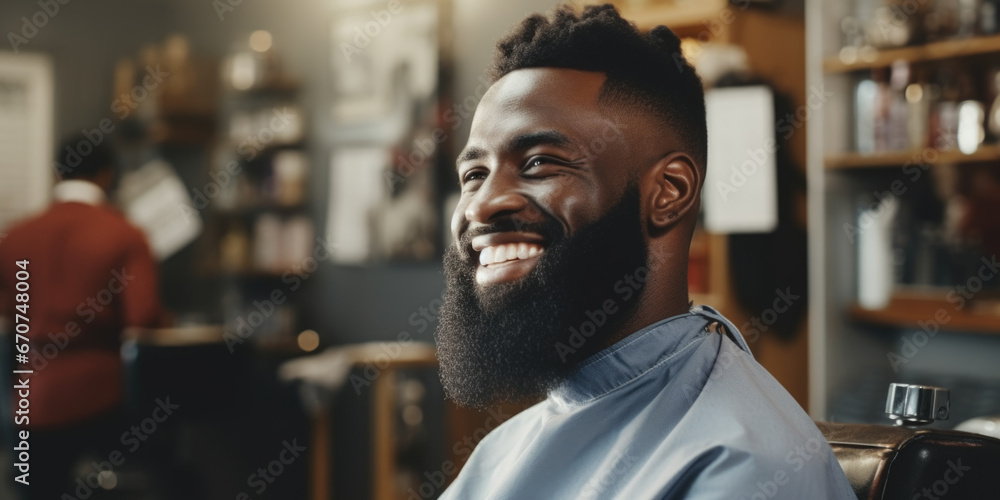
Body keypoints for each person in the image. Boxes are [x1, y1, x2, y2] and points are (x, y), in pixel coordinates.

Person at [433, 4, 855, 499]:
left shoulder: (742, 465)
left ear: (668, 192)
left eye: (540, 162)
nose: (482, 206)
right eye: (474, 175)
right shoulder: (499, 455)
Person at [0, 135, 162, 499]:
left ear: (57, 176)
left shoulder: (15, 237)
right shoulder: (124, 235)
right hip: (100, 399)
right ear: (106, 175)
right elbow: (144, 316)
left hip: (29, 400)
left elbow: (8, 314)